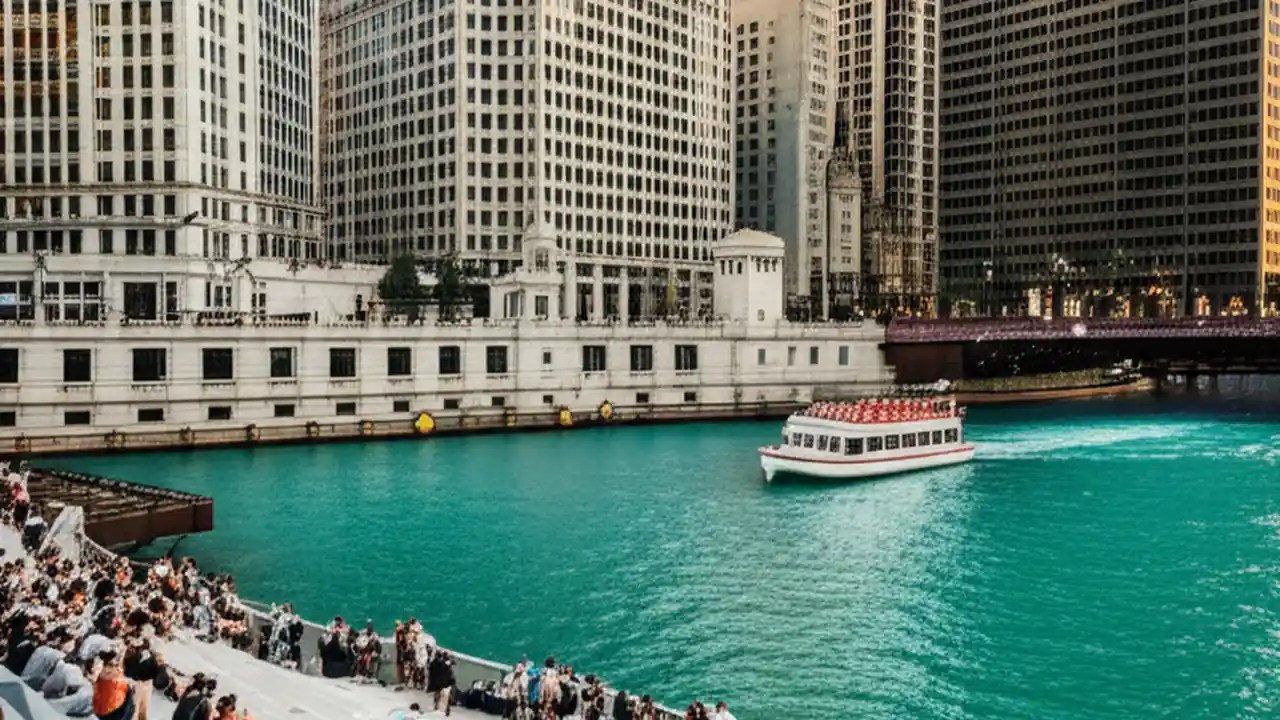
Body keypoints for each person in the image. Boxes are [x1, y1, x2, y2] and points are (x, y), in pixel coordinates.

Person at [92, 650, 134, 720]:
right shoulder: (91, 687)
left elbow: (129, 711)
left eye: (116, 665)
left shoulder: (125, 687)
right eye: (110, 665)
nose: (114, 669)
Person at [427, 649, 455, 717]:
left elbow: (431, 671)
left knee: (439, 696)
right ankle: (443, 710)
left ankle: (438, 708)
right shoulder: (444, 664)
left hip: (438, 683)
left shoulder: (434, 663)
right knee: (443, 697)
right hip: (443, 684)